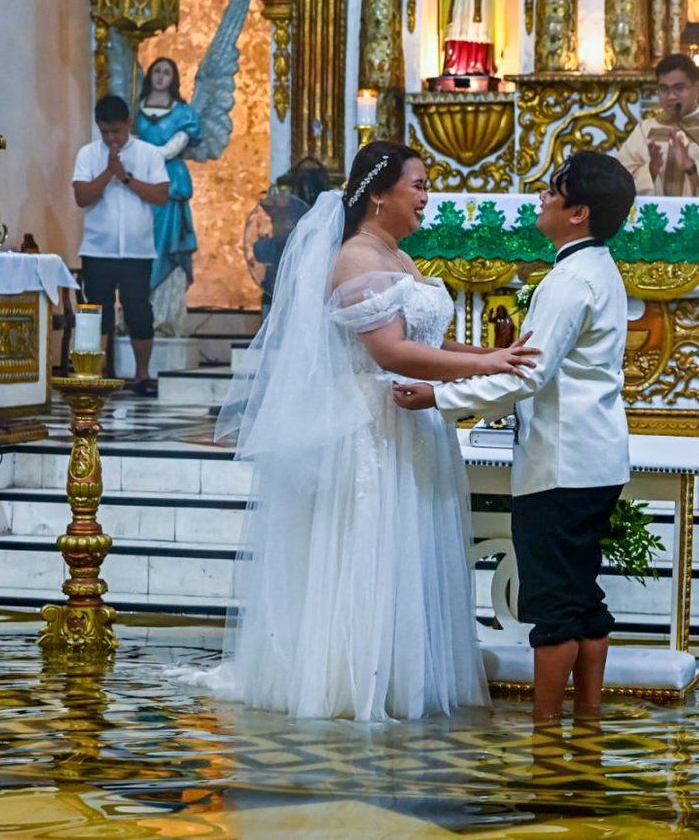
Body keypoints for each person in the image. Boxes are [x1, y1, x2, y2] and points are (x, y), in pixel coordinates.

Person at [180, 140, 539, 721]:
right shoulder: (356, 260)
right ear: (379, 193)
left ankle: (404, 673)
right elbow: (393, 352)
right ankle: (354, 681)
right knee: (372, 547)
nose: (427, 197)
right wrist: (482, 367)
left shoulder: (395, 256)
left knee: (411, 544)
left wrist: (487, 354)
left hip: (410, 423)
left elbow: (421, 340)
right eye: (418, 185)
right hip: (372, 427)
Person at [393, 152, 636, 724]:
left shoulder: (568, 281)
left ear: (578, 212)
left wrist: (438, 397)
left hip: (561, 465)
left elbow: (525, 376)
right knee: (582, 598)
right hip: (595, 459)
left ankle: (547, 731)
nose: (543, 198)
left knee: (554, 604)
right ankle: (589, 719)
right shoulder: (600, 267)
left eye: (555, 191)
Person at [71, 94, 170, 395]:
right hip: (98, 249)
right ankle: (96, 373)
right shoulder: (88, 154)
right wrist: (108, 172)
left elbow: (160, 196)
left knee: (138, 310)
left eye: (116, 130)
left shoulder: (150, 154)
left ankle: (142, 375)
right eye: (105, 132)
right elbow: (81, 197)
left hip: (137, 251)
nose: (111, 138)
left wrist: (125, 178)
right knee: (98, 310)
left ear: (127, 124)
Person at [617, 54, 699, 198]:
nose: (671, 96)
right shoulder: (645, 131)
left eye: (678, 88)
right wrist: (651, 169)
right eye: (664, 89)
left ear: (696, 87)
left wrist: (691, 167)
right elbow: (620, 182)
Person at [136, 57, 203, 337]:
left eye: (167, 72)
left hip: (168, 184)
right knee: (140, 245)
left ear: (173, 79)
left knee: (166, 246)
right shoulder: (134, 109)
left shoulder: (183, 114)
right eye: (157, 71)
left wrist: (146, 155)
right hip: (139, 184)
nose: (161, 77)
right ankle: (136, 316)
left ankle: (164, 318)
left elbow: (173, 147)